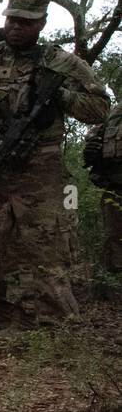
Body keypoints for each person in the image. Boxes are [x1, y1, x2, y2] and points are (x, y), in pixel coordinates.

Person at [0, 0, 110, 354]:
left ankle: (55, 333)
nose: (16, 27)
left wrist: (56, 93)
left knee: (48, 257)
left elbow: (98, 108)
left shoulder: (61, 63)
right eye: (11, 20)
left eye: (25, 22)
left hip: (41, 176)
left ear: (42, 24)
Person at [84, 98, 122, 299]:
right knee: (114, 240)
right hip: (115, 189)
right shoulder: (113, 115)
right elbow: (92, 143)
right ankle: (110, 292)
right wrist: (92, 151)